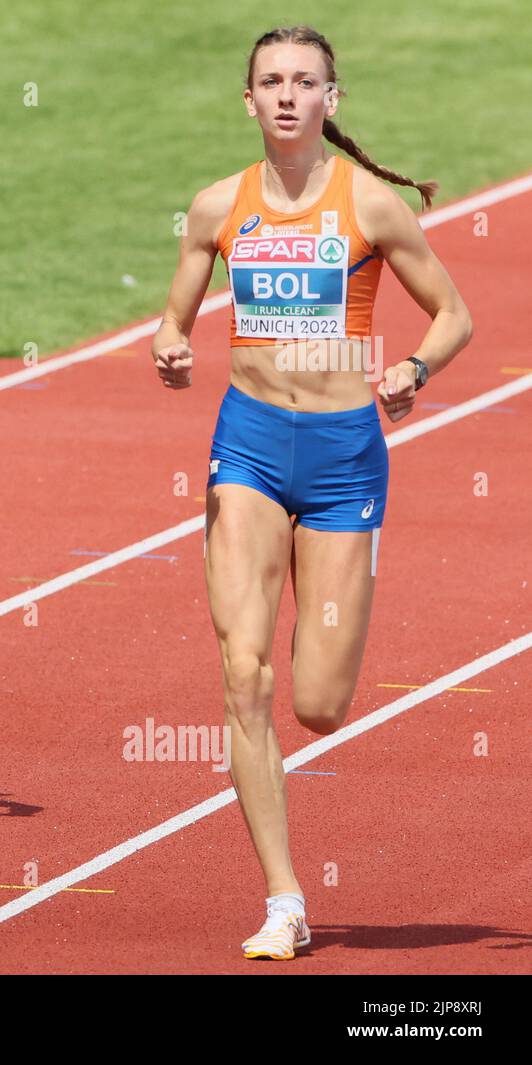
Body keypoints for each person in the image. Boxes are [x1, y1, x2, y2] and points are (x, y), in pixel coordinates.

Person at [151, 25, 472, 958]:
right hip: (246, 447)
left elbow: (453, 313)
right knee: (242, 674)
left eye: (305, 81)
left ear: (333, 99)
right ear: (247, 100)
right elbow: (174, 324)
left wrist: (414, 368)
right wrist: (172, 353)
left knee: (318, 702)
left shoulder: (371, 208)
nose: (287, 95)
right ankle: (285, 898)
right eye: (271, 81)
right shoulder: (216, 207)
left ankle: (324, 597)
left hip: (342, 458)